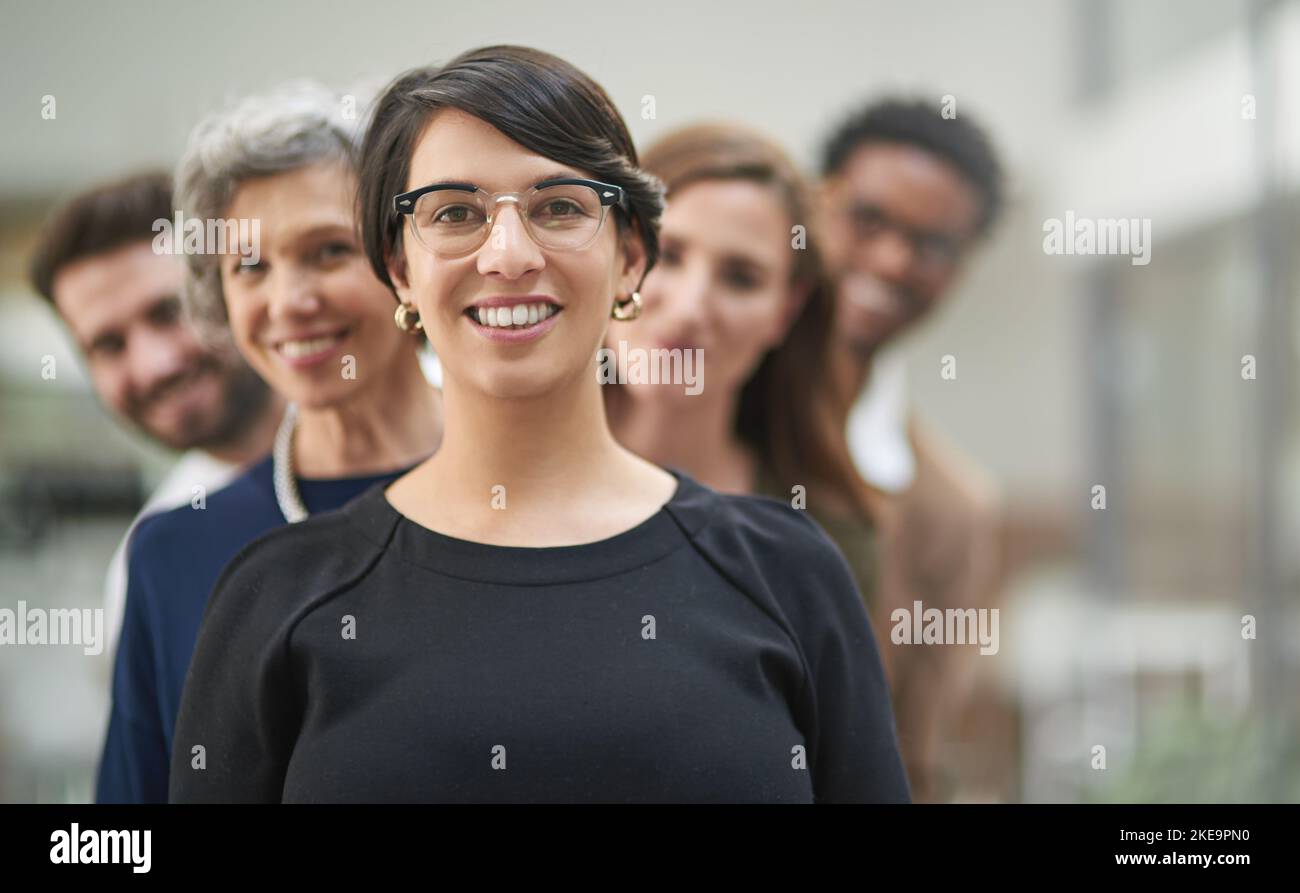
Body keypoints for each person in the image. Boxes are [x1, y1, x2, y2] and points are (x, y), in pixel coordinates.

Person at [169, 45, 910, 803]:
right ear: (399, 270)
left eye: (559, 207)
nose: (510, 254)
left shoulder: (788, 574)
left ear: (628, 258)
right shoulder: (277, 595)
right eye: (455, 213)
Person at [96, 82, 444, 803]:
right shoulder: (175, 551)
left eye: (327, 251)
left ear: (406, 264)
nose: (288, 301)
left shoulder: (530, 499)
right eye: (249, 266)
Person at [605, 122, 883, 609]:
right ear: (614, 257)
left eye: (740, 278)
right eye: (667, 255)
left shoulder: (822, 541)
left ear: (785, 311)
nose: (692, 307)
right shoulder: (479, 472)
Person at [817, 97, 1005, 802]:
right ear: (813, 205)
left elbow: (910, 759)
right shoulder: (678, 407)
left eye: (931, 244)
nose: (893, 259)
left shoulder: (951, 510)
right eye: (868, 220)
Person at [28, 172, 282, 662]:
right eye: (109, 345)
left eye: (169, 311)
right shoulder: (150, 565)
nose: (154, 366)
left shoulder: (444, 439)